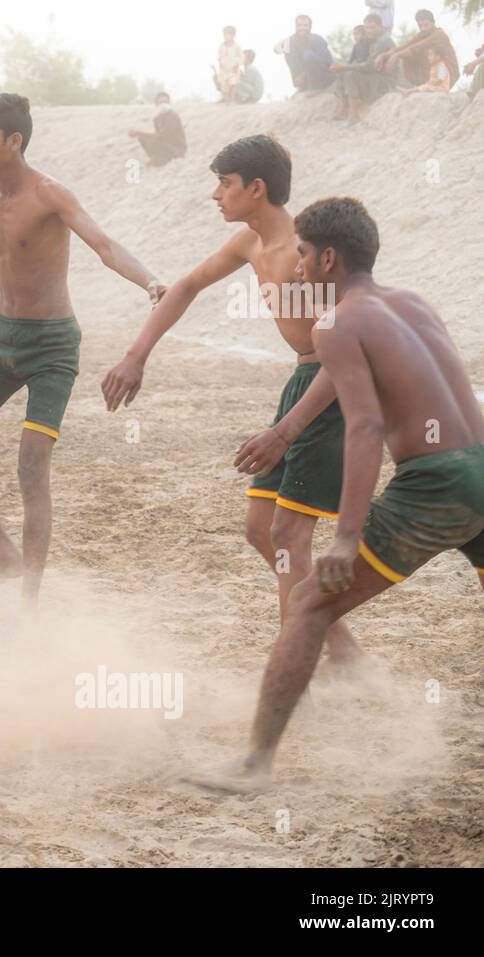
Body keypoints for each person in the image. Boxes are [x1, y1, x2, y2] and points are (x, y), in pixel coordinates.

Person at [190, 197, 484, 793]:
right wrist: (286, 430)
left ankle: (255, 765)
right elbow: (348, 364)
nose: (295, 267)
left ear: (328, 257)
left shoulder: (335, 322)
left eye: (301, 255)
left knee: (308, 605)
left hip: (438, 484)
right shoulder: (410, 304)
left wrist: (346, 537)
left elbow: (366, 425)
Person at [101, 135, 364, 671]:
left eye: (224, 184)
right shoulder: (249, 243)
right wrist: (136, 355)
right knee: (259, 527)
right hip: (302, 378)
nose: (215, 195)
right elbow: (187, 285)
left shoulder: (304, 251)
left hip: (332, 388)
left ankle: (297, 664)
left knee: (289, 532)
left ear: (256, 188)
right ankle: (339, 646)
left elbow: (349, 347)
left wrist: (288, 429)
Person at [0, 94, 165, 607]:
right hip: (3, 340)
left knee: (30, 466)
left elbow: (105, 245)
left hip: (52, 347)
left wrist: (151, 281)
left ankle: (29, 601)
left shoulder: (51, 195)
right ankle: (2, 554)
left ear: (13, 141)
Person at [331, 14, 398, 124]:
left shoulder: (383, 41)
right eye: (366, 27)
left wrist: (345, 66)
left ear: (380, 27)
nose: (369, 31)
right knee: (343, 72)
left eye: (372, 27)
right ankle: (344, 105)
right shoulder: (371, 40)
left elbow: (370, 66)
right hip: (375, 76)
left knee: (350, 74)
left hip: (386, 82)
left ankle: (353, 115)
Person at [376, 9, 459, 88]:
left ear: (433, 23)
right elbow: (406, 46)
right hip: (432, 72)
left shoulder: (439, 34)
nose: (423, 28)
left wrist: (396, 55)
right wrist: (384, 55)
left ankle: (430, 85)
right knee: (407, 53)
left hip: (446, 72)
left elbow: (417, 47)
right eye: (420, 25)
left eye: (426, 25)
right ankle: (417, 85)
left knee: (414, 53)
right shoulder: (421, 35)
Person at [275, 15, 335, 93]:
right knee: (287, 51)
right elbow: (276, 50)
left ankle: (316, 88)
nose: (302, 28)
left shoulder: (317, 38)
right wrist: (286, 41)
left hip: (324, 77)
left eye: (305, 25)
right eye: (299, 25)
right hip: (305, 79)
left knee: (308, 54)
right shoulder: (291, 41)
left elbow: (327, 63)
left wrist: (303, 74)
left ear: (310, 26)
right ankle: (302, 85)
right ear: (295, 26)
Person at [127, 93, 187, 167]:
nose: (163, 104)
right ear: (156, 104)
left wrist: (138, 132)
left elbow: (162, 135)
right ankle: (157, 158)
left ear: (169, 103)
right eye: (161, 102)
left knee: (150, 138)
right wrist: (139, 134)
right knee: (143, 138)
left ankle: (164, 158)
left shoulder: (173, 116)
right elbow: (157, 135)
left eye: (165, 102)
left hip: (176, 148)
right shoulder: (157, 119)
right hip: (165, 145)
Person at [217, 26, 245, 104]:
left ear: (233, 35)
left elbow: (241, 56)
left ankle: (232, 100)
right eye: (224, 35)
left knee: (233, 83)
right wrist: (220, 63)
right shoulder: (221, 46)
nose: (225, 36)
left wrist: (238, 64)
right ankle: (226, 101)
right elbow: (219, 56)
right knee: (224, 86)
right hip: (224, 69)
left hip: (233, 69)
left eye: (227, 35)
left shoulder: (237, 46)